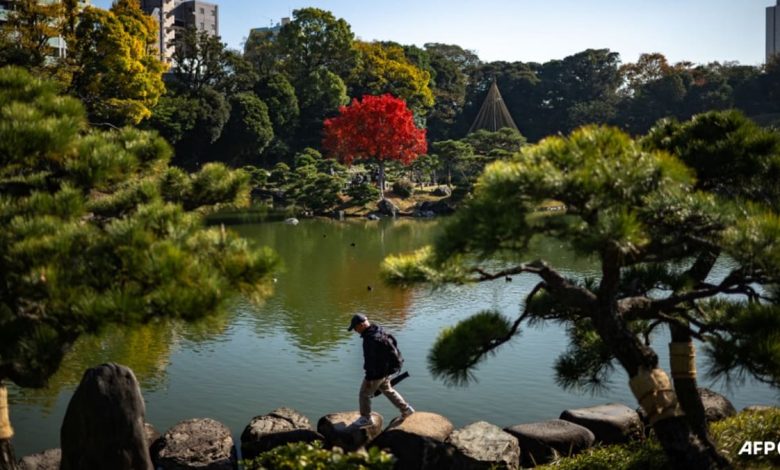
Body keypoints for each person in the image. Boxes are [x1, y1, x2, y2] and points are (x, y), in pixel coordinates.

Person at [348, 314, 414, 426]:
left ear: (362, 325)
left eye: (355, 327)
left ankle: (366, 418)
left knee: (364, 394)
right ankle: (406, 409)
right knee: (387, 390)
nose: (355, 330)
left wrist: (369, 378)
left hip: (377, 373)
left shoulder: (370, 339)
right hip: (387, 370)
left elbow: (371, 361)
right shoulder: (378, 330)